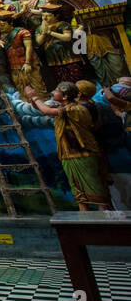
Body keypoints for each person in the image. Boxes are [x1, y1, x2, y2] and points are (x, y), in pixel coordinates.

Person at [24, 82, 112, 210]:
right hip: (69, 153)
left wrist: (35, 97)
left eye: (56, 90)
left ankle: (106, 219)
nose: (53, 91)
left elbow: (46, 110)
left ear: (65, 96)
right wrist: (33, 100)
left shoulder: (74, 109)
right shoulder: (64, 108)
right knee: (78, 191)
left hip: (82, 153)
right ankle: (85, 219)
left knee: (94, 188)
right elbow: (41, 109)